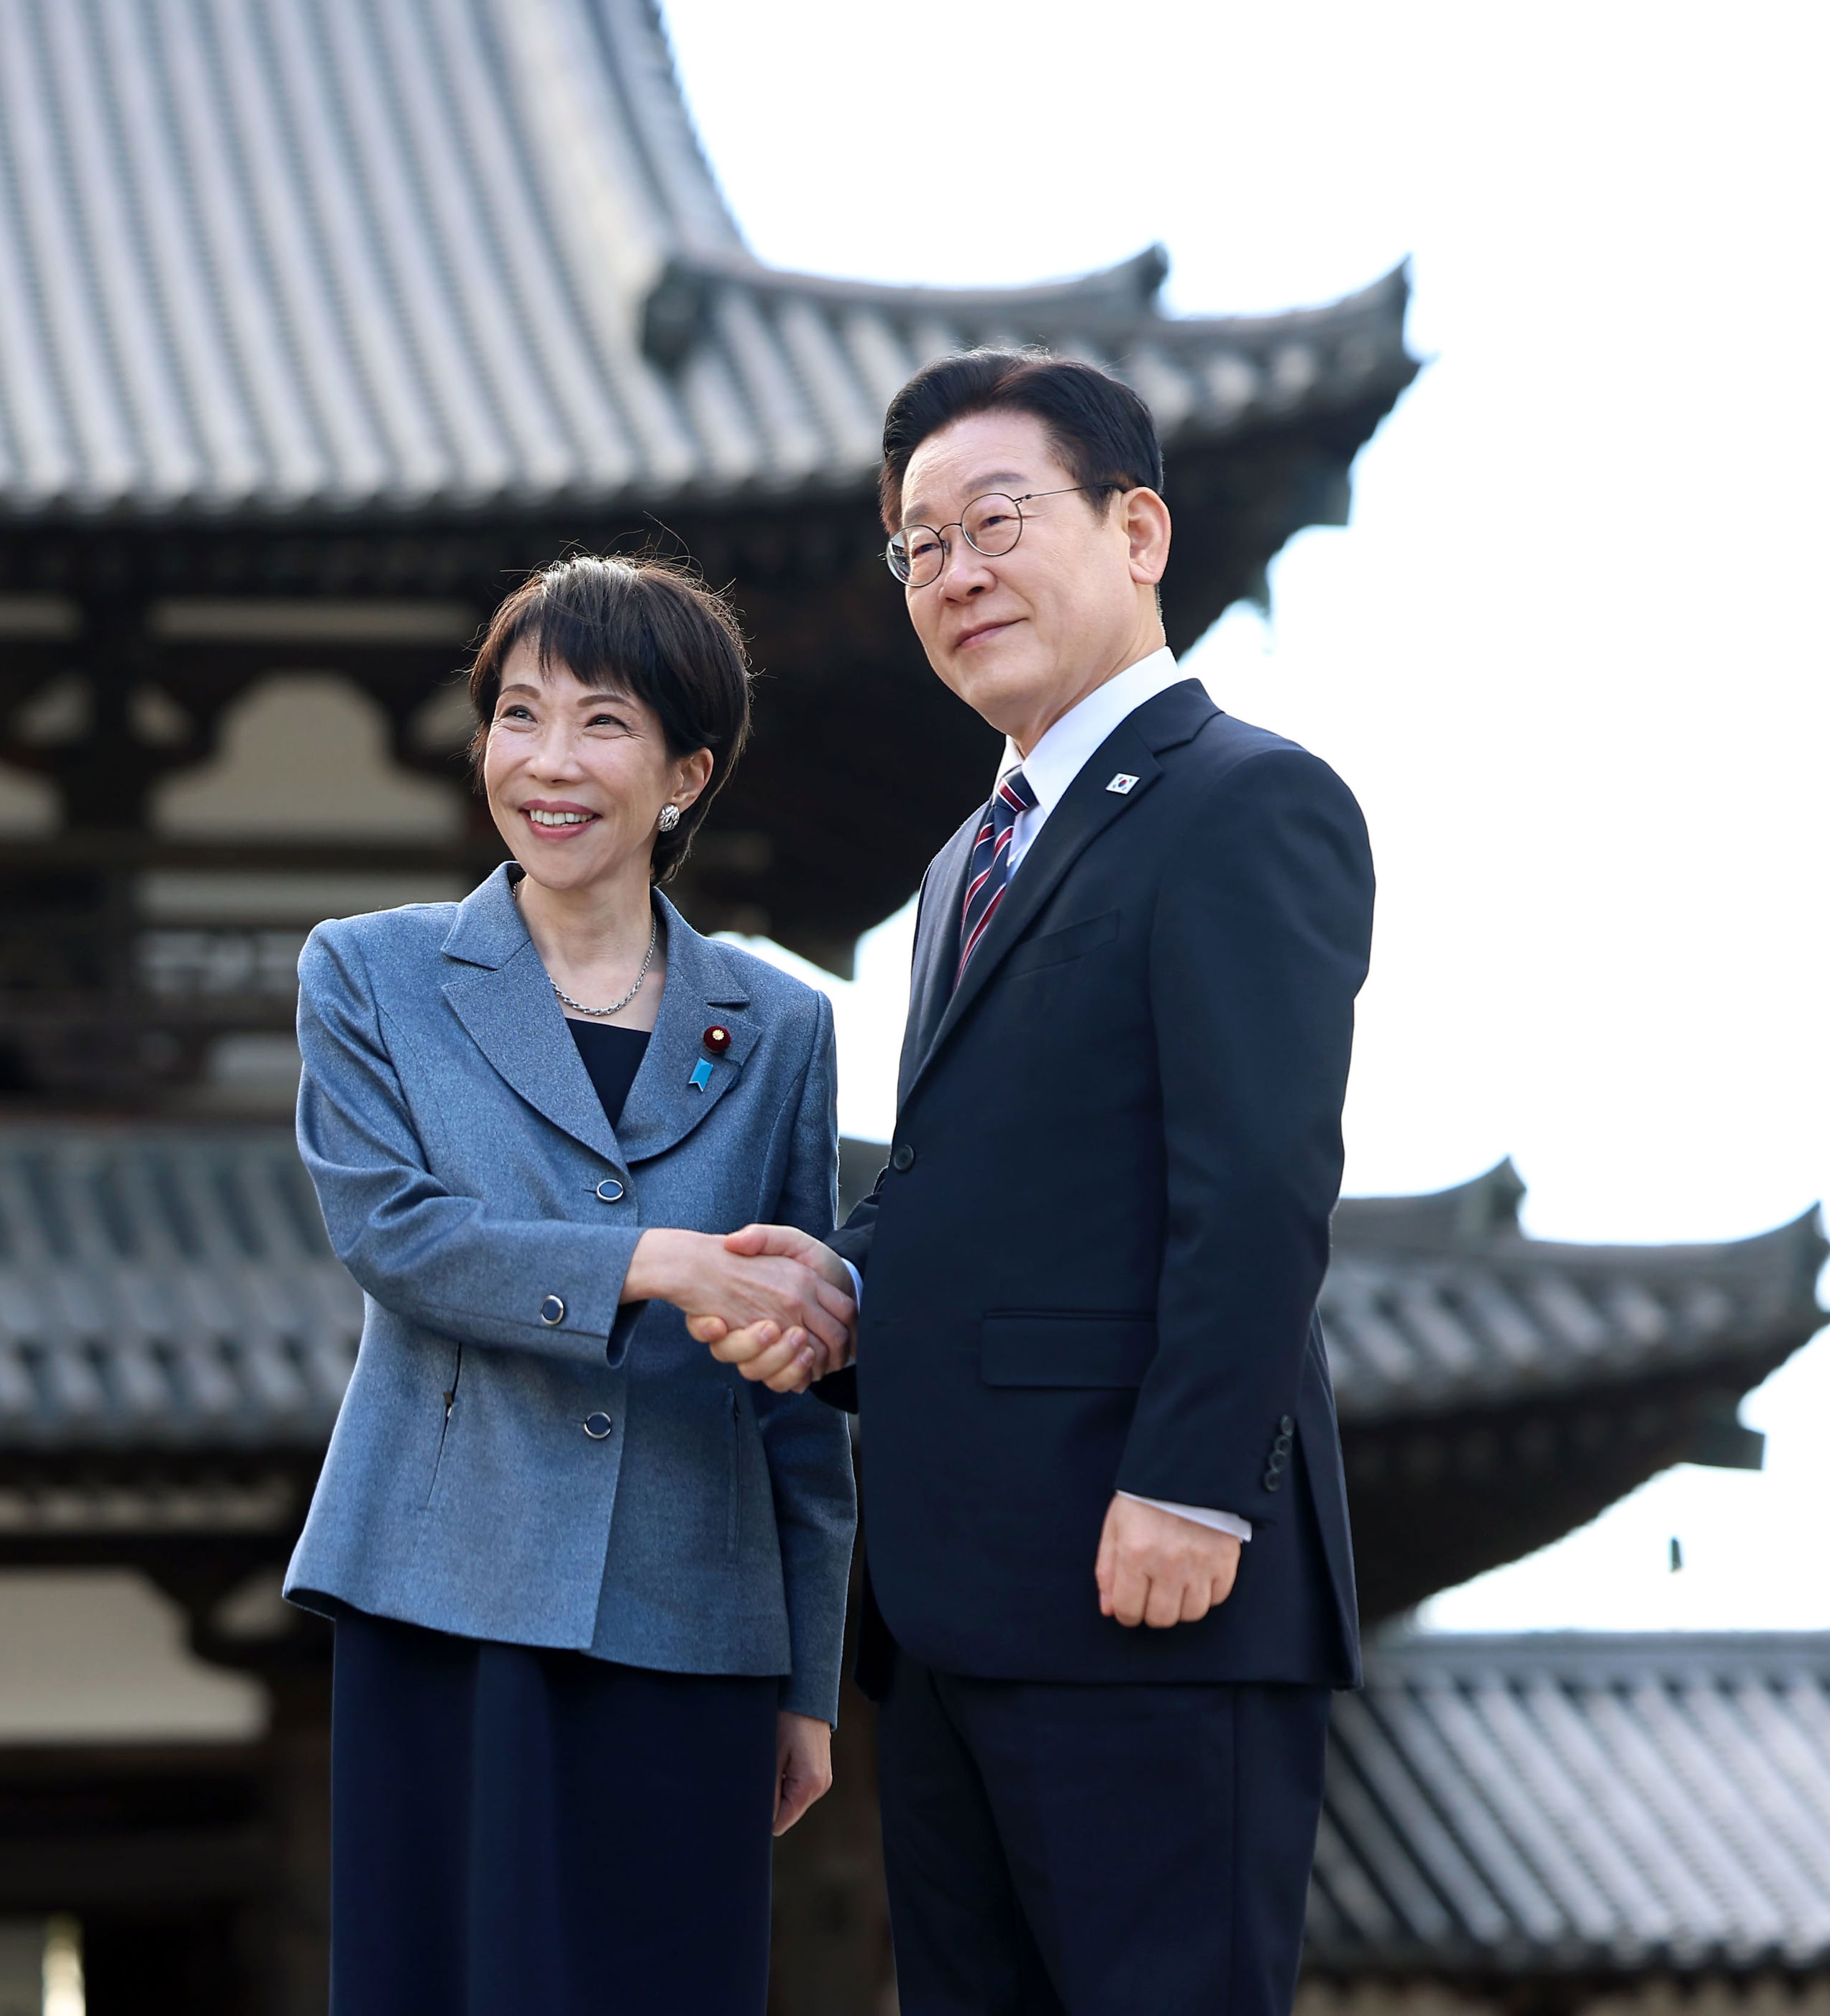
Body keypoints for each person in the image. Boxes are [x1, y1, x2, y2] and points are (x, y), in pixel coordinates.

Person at [692, 350, 1376, 2016]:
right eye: (919, 546)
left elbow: (1262, 1171)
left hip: (1149, 1578)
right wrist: (842, 1282)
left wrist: (1197, 1483)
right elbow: (987, 1187)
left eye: (997, 519)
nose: (956, 573)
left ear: (1139, 528)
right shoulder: (960, 864)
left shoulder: (1245, 802)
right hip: (952, 1608)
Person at [281, 554, 860, 2016]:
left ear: (685, 773)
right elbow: (396, 1234)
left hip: (696, 1603)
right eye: (518, 714)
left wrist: (808, 1669)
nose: (547, 762)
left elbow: (798, 1381)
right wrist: (653, 1262)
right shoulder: (371, 974)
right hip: (444, 1586)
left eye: (602, 723)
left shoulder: (780, 1020)